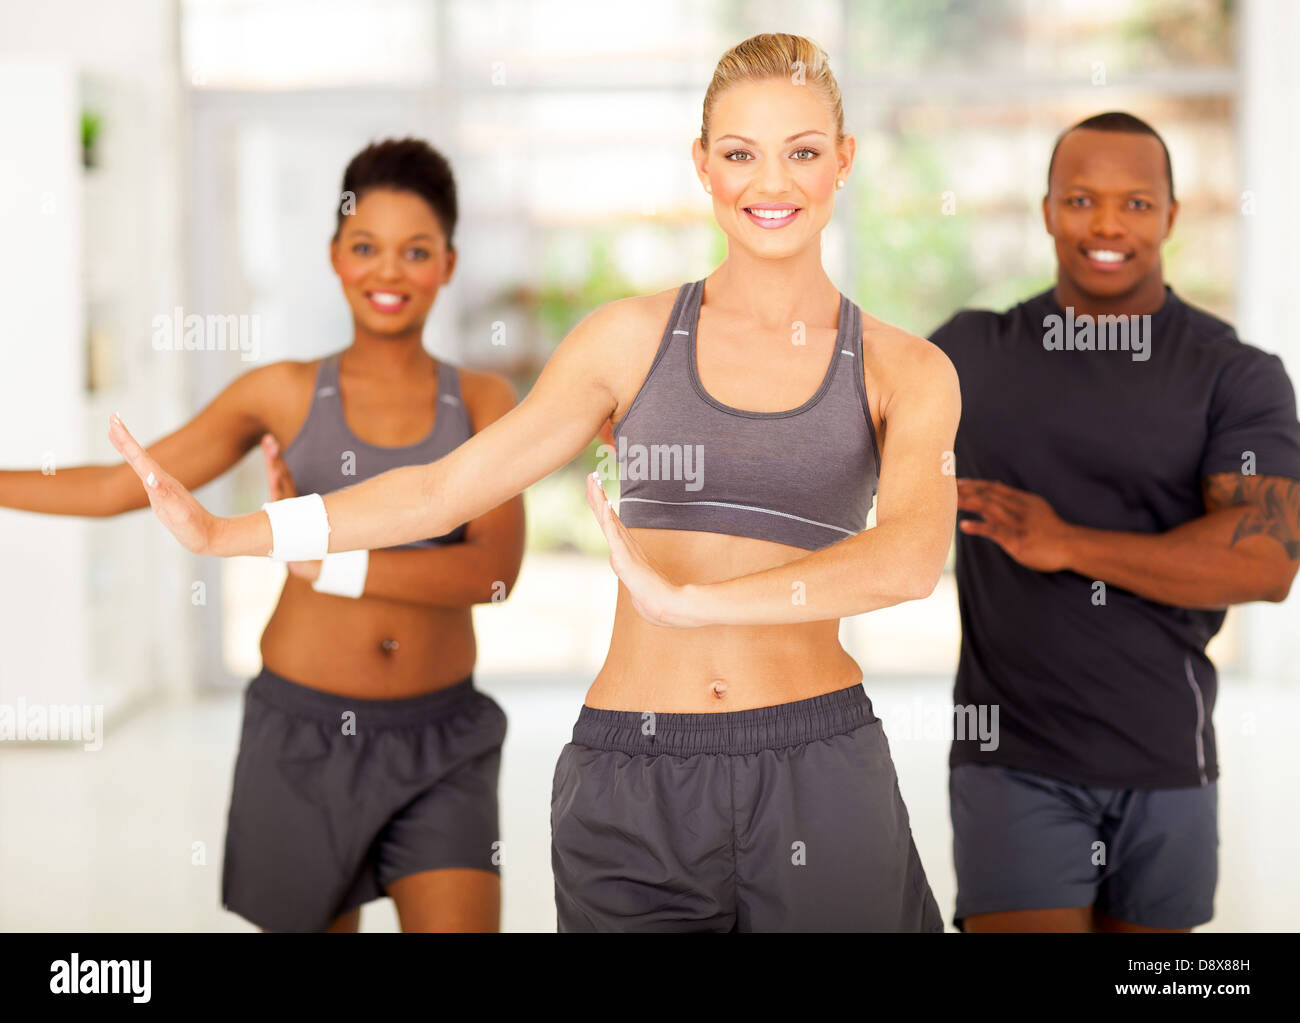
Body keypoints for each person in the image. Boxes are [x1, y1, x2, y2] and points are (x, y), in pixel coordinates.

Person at [108, 33, 959, 932]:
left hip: (818, 767)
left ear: (844, 161)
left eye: (803, 152)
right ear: (703, 165)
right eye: (741, 154)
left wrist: (694, 601)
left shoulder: (908, 370)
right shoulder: (626, 341)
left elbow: (907, 559)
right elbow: (441, 490)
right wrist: (227, 534)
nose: (771, 183)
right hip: (637, 772)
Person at [5, 138, 525, 932]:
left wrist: (328, 563)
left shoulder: (485, 401)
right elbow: (120, 485)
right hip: (302, 737)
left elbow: (491, 573)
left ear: (447, 264)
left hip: (441, 741)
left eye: (415, 251)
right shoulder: (279, 392)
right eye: (366, 248)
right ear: (333, 255)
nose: (388, 272)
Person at [929, 112, 1300, 933]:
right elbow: (829, 423)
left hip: (1166, 761)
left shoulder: (1234, 374)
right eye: (1081, 199)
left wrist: (1066, 544)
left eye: (1134, 202)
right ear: (1047, 209)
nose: (1105, 224)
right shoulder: (971, 353)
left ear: (1170, 214)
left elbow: (1267, 560)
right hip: (1010, 756)